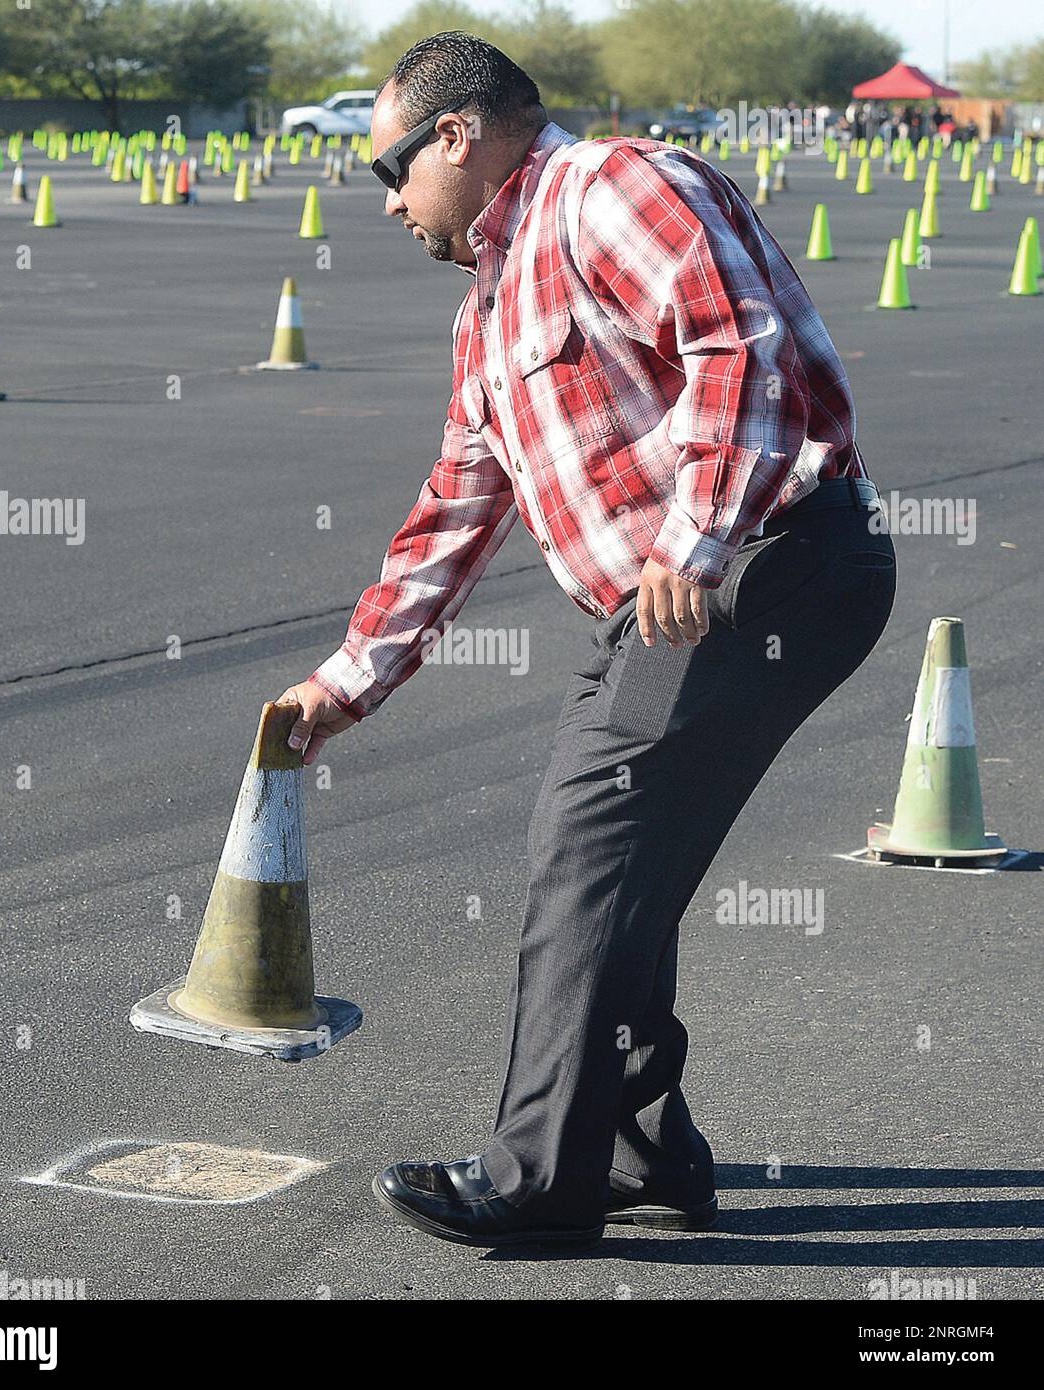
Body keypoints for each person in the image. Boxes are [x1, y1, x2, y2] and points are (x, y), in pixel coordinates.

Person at [277, 31, 897, 1249]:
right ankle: (640, 1152)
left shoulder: (609, 188)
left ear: (454, 136)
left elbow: (740, 344)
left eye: (388, 170)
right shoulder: (487, 310)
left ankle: (539, 1183)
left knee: (589, 837)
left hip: (768, 565)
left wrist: (697, 537)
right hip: (683, 591)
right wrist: (345, 684)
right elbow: (455, 508)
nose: (390, 203)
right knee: (619, 859)